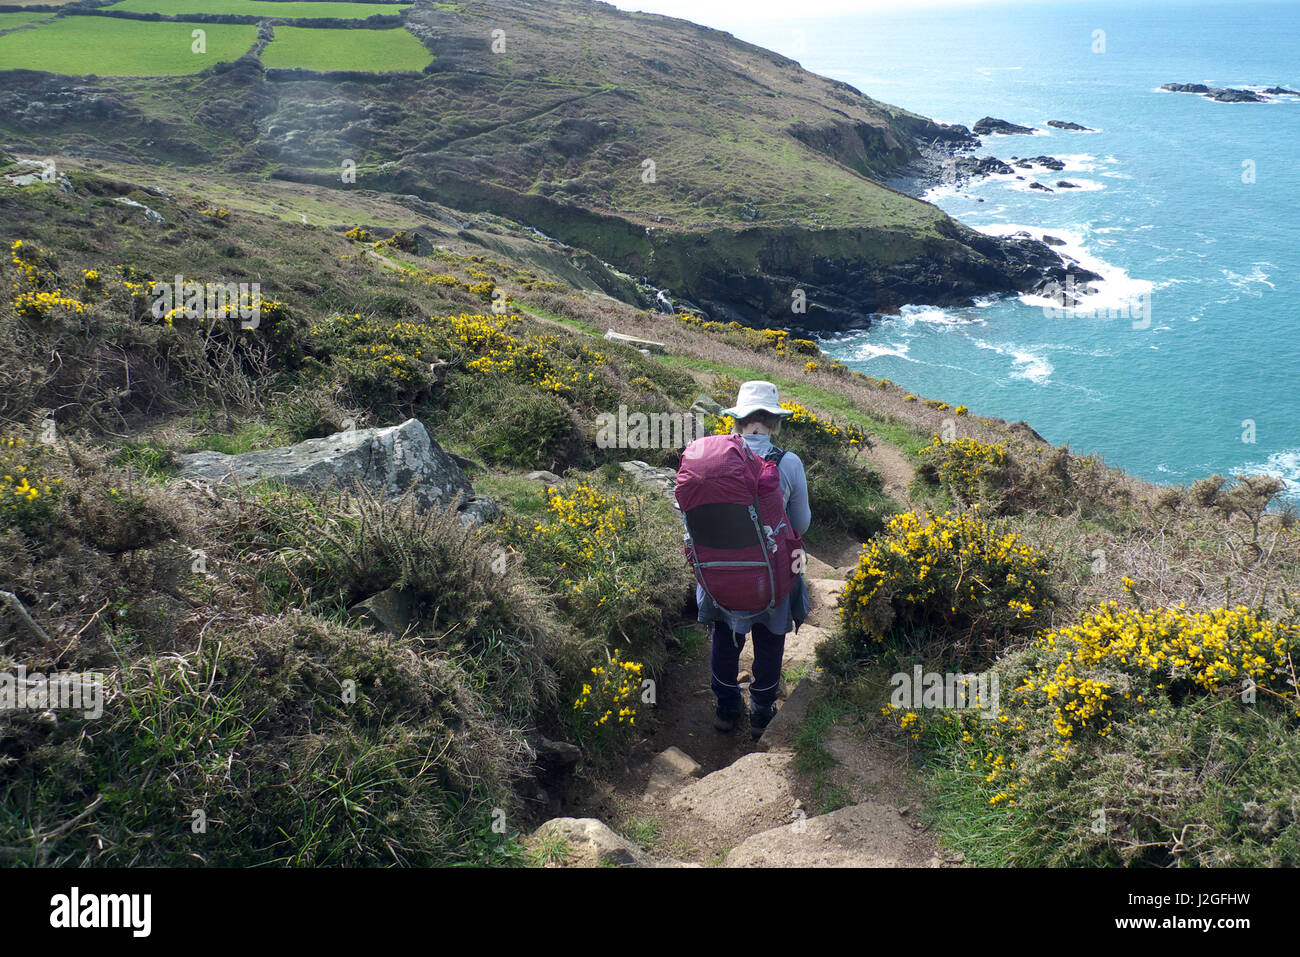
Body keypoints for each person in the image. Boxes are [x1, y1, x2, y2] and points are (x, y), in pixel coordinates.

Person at [696, 380, 811, 738]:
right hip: (773, 578)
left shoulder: (709, 458)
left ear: (738, 421)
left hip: (721, 576)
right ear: (773, 422)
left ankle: (727, 708)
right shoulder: (788, 463)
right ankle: (762, 710)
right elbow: (802, 523)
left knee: (725, 638)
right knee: (770, 639)